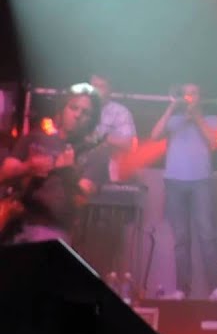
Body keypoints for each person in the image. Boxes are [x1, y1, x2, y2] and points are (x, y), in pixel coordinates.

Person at [0, 84, 106, 246]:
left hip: (52, 229)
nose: (78, 115)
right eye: (73, 108)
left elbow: (82, 200)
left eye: (86, 113)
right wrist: (28, 167)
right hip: (13, 221)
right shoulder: (34, 138)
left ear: (92, 120)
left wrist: (68, 175)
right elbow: (4, 175)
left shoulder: (94, 154)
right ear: (62, 110)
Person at [149, 83, 217, 298]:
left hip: (201, 182)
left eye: (193, 93)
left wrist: (197, 117)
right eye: (185, 94)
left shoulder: (212, 120)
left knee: (206, 234)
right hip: (174, 181)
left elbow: (213, 141)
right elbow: (153, 136)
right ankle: (182, 289)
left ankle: (215, 288)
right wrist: (171, 108)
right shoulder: (174, 121)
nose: (189, 97)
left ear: (200, 97)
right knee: (181, 238)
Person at [86, 73, 138, 181]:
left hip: (108, 175)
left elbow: (131, 145)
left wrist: (102, 137)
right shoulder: (79, 108)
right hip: (79, 171)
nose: (97, 90)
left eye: (102, 86)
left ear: (110, 90)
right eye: (94, 85)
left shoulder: (120, 112)